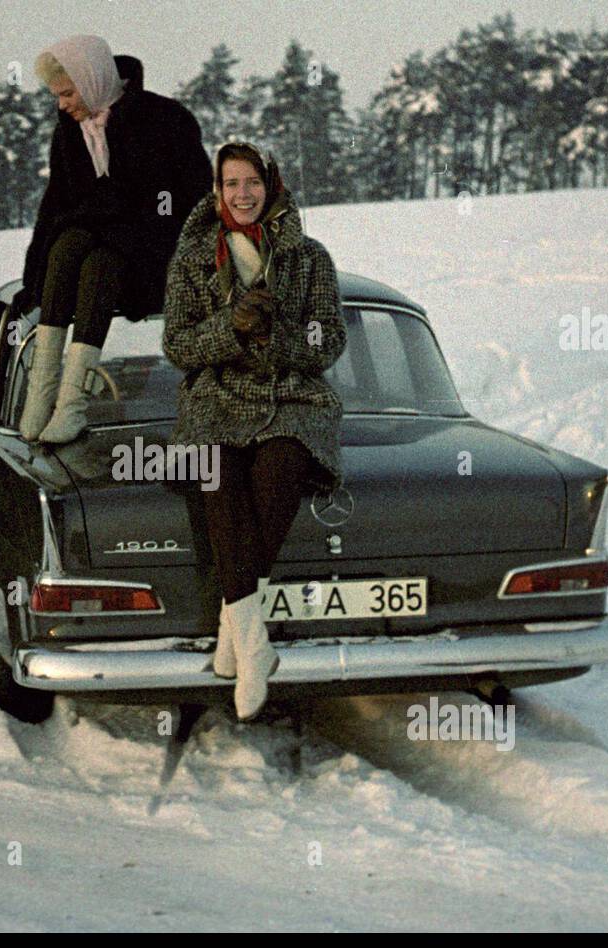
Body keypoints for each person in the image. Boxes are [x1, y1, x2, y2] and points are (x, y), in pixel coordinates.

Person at [162, 143, 347, 720]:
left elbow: (329, 340)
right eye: (231, 183)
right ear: (217, 190)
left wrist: (279, 335)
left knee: (281, 468)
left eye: (253, 183)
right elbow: (178, 345)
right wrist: (232, 329)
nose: (243, 194)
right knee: (218, 482)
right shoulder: (192, 257)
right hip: (216, 400)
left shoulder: (309, 257)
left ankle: (231, 630)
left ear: (271, 185)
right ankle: (255, 646)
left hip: (290, 397)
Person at [16, 33, 212, 444]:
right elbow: (55, 207)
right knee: (69, 245)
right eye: (57, 95)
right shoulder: (69, 133)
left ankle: (71, 403)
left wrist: (111, 221)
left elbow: (176, 203)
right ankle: (42, 394)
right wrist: (35, 280)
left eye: (68, 93)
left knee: (98, 260)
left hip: (158, 252)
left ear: (91, 81)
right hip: (99, 242)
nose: (62, 104)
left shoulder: (163, 121)